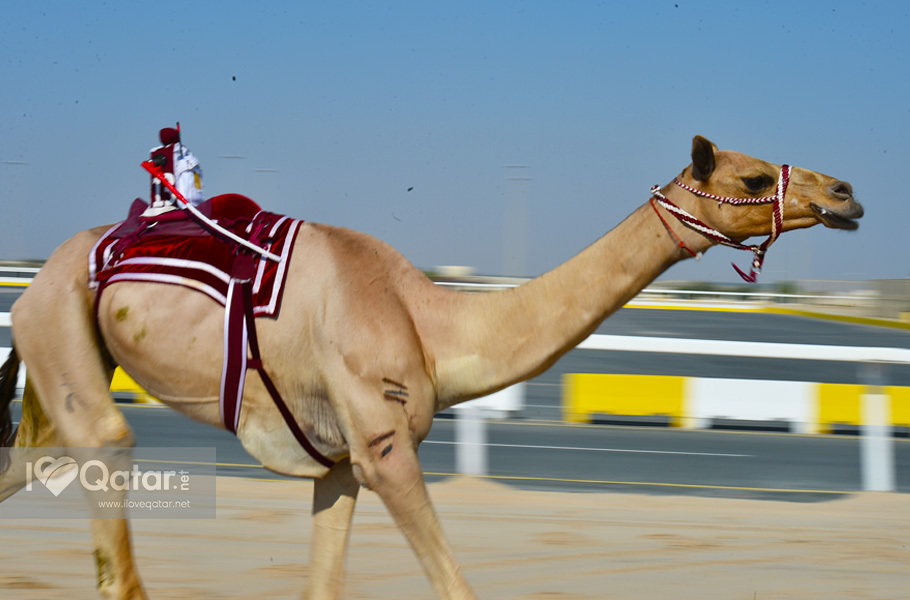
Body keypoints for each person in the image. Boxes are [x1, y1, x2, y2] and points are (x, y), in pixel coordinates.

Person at [149, 123, 205, 208]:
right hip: (180, 208)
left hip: (156, 210)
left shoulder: (156, 153)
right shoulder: (183, 156)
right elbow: (191, 196)